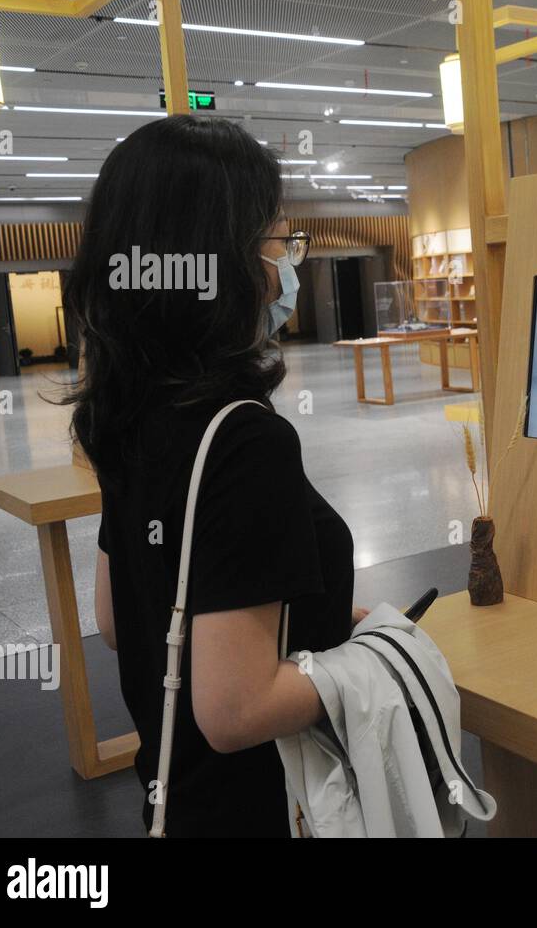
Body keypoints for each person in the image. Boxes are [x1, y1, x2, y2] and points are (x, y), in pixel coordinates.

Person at [63, 114, 358, 837]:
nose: (285, 264)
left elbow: (118, 617)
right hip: (264, 809)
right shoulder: (245, 440)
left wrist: (327, 620)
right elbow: (234, 710)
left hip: (174, 801)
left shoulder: (125, 412)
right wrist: (372, 663)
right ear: (217, 260)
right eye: (276, 240)